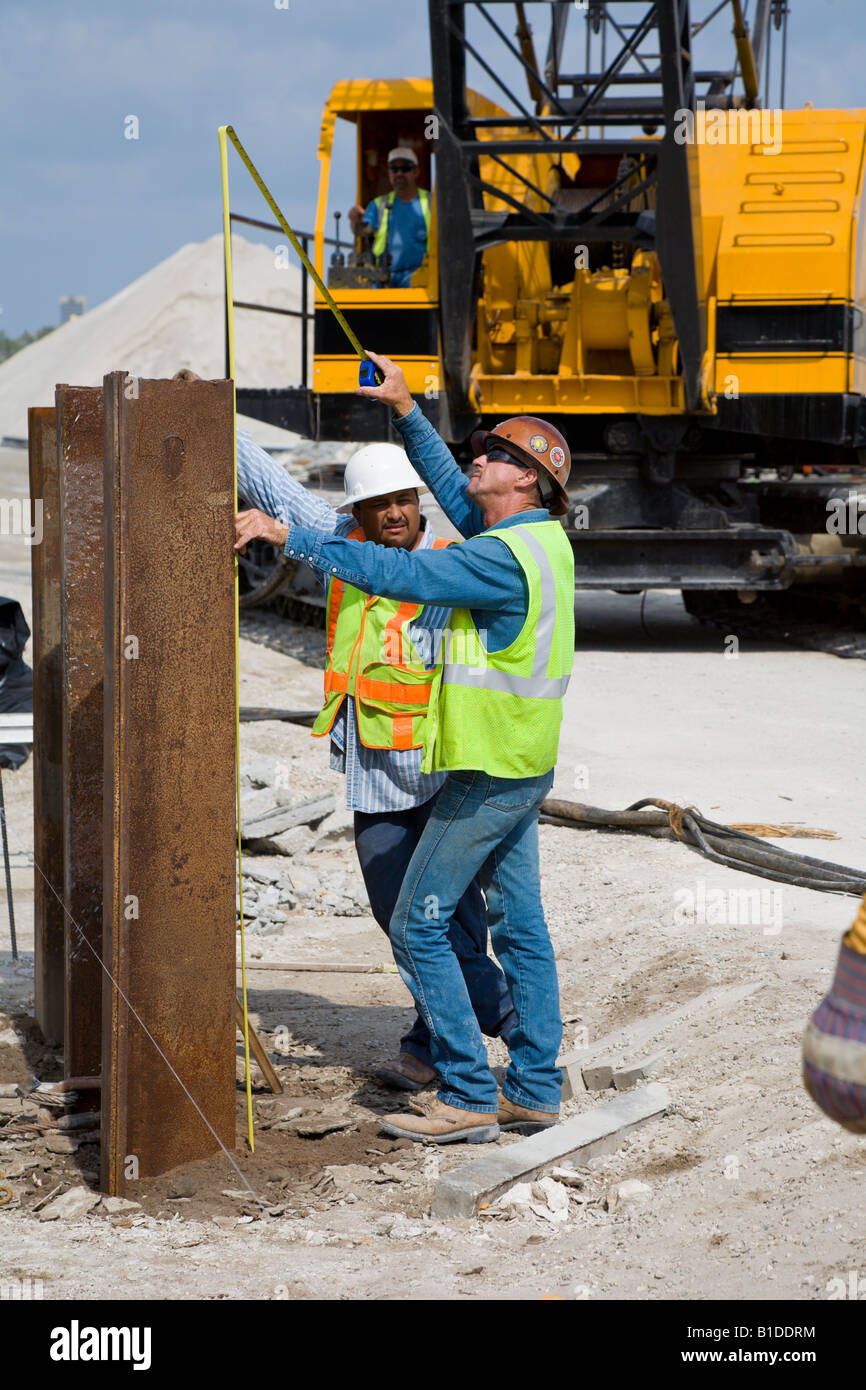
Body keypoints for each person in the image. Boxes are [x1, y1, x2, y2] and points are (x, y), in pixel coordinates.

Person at [273, 350, 575, 1144]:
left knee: (417, 923)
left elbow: (396, 574)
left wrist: (290, 536)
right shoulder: (535, 541)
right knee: (520, 927)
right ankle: (534, 1088)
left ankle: (469, 1092)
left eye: (493, 456)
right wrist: (406, 408)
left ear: (526, 480)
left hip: (485, 770)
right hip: (523, 762)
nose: (476, 462)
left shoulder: (496, 561)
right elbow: (449, 483)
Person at [233, 430, 516, 1090]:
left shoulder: (452, 563)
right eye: (378, 504)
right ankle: (449, 1037)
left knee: (445, 924)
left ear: (418, 501)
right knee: (403, 920)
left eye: (403, 500)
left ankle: (505, 1028)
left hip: (446, 779)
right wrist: (212, 415)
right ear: (356, 512)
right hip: (377, 779)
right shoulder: (341, 542)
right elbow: (273, 485)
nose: (393, 513)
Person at [348, 148, 430, 288]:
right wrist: (354, 220)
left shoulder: (431, 202)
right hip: (383, 277)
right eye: (394, 169)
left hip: (421, 277)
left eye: (405, 168)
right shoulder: (379, 204)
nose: (399, 173)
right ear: (389, 173)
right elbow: (362, 231)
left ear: (416, 172)